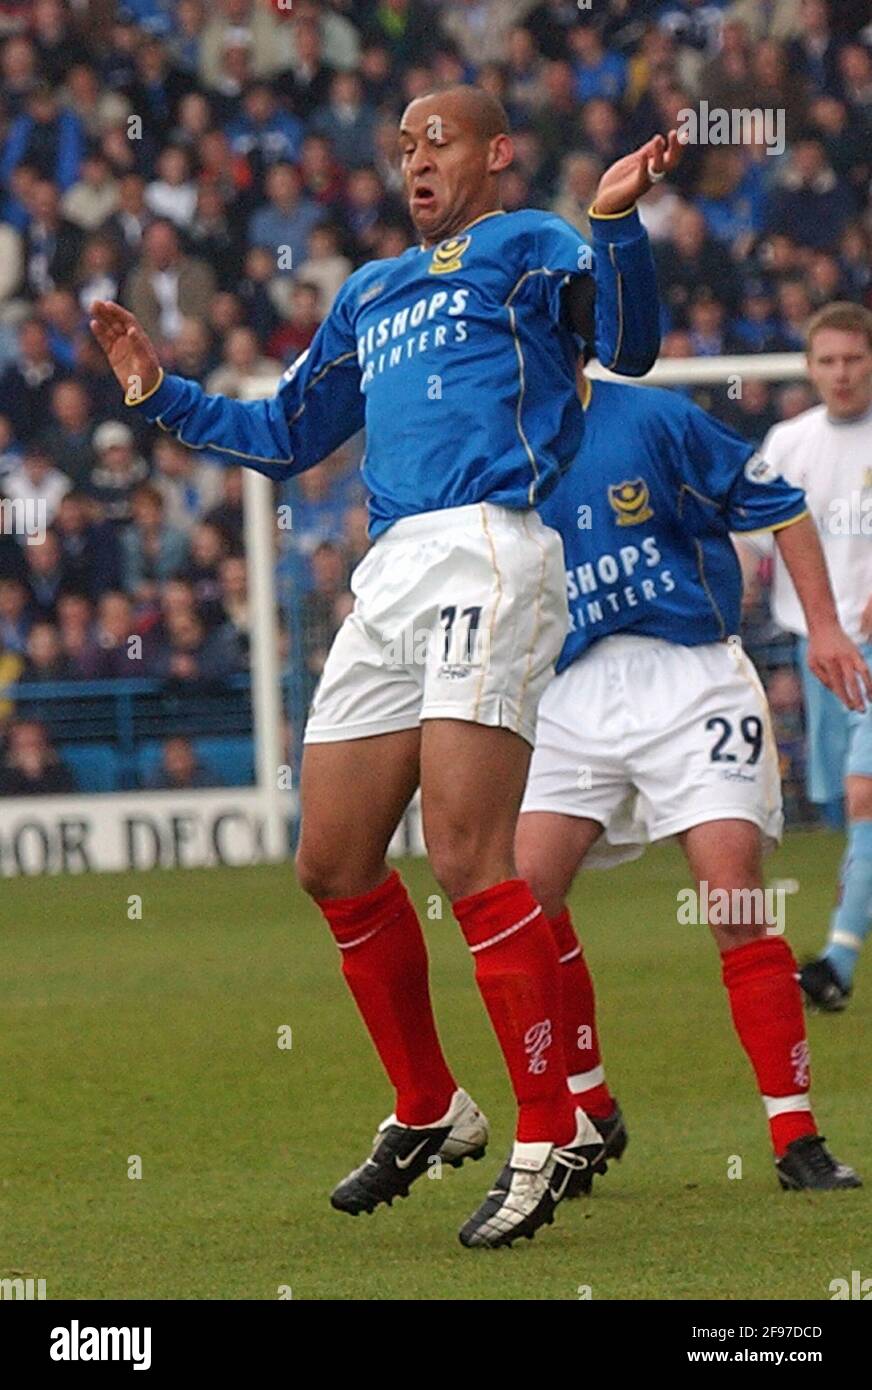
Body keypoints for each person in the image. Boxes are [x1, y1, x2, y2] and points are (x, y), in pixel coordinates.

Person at [91, 84, 675, 1249]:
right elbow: (286, 434)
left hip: (490, 546)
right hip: (391, 571)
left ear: (496, 152)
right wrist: (162, 396)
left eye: (437, 140)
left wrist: (613, 225)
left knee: (464, 856)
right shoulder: (368, 291)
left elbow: (629, 344)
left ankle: (546, 1130)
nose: (413, 160)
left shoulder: (529, 244)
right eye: (401, 147)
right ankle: (428, 1105)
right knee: (331, 860)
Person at [515, 353, 870, 1193]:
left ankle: (794, 1135)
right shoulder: (495, 437)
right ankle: (590, 1109)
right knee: (522, 905)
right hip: (570, 690)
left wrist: (823, 628)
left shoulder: (654, 418)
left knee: (732, 897)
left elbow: (781, 505)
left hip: (691, 676)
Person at [735, 303, 872, 1011]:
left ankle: (836, 964)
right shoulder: (788, 443)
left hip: (871, 649)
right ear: (810, 368)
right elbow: (749, 541)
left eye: (854, 358)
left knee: (863, 795)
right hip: (818, 652)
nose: (842, 373)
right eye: (829, 361)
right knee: (846, 811)